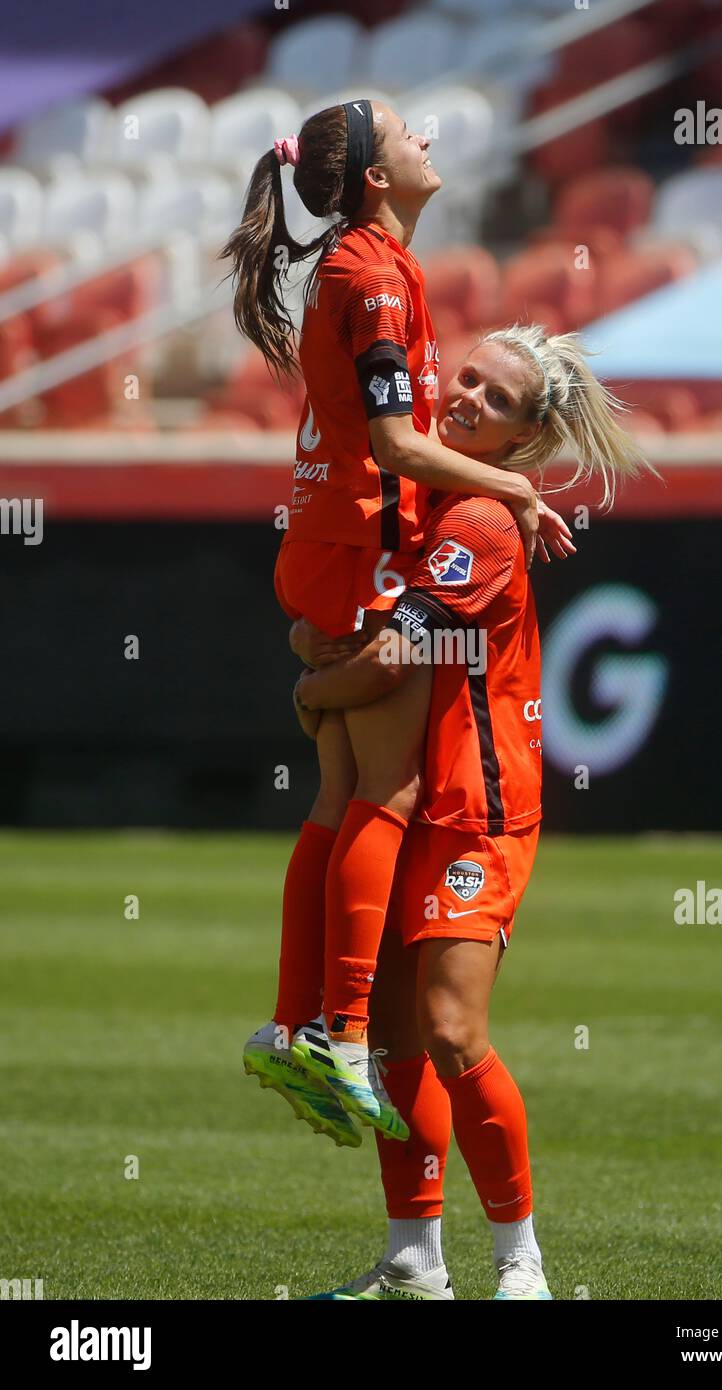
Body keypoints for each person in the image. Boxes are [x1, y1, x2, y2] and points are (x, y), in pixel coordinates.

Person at [221, 99, 570, 1141]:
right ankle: (331, 1030)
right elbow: (394, 448)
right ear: (375, 176)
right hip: (355, 540)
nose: (425, 135)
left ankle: (294, 1027)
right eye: (405, 130)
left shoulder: (375, 267)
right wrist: (513, 491)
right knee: (391, 784)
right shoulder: (372, 278)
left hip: (330, 541)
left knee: (337, 791)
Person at [288, 322, 649, 1298]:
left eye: (494, 401)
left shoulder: (481, 524)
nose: (464, 400)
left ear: (523, 439)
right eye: (468, 378)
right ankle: (413, 1258)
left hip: (475, 813)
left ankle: (520, 1257)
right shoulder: (437, 492)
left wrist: (316, 692)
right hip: (409, 801)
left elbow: (399, 655)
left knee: (451, 1031)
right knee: (403, 1041)